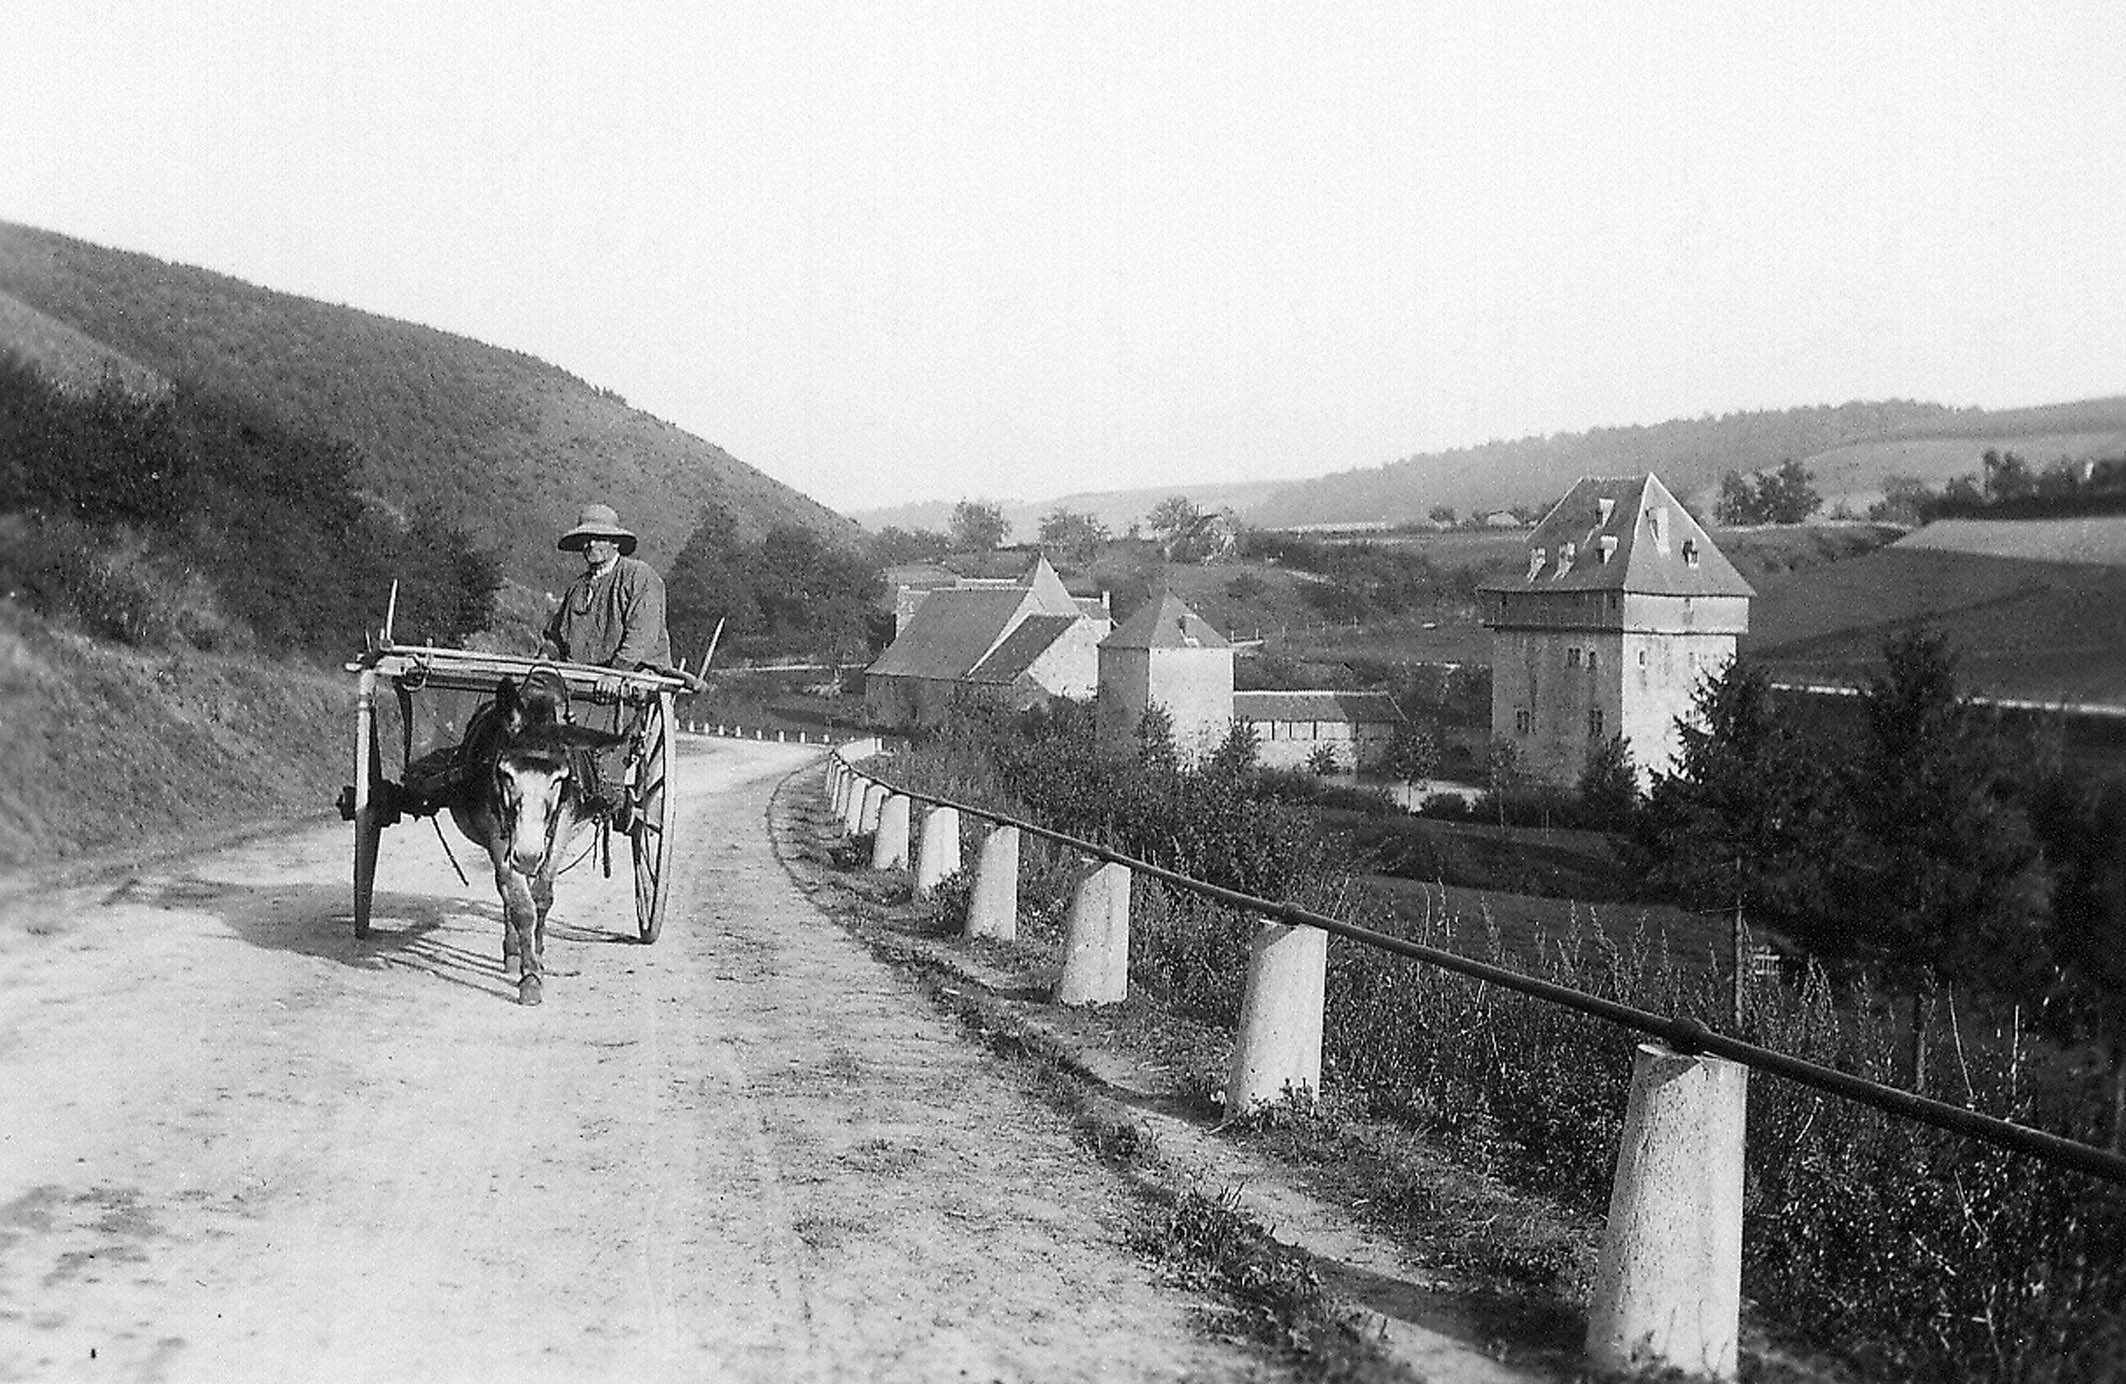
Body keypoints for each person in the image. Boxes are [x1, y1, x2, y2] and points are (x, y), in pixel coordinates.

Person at [540, 502, 673, 680]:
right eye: (585, 539)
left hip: (633, 678)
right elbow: (556, 636)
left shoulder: (638, 576)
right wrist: (545, 657)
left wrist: (616, 674)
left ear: (615, 542)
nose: (591, 544)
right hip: (582, 678)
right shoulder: (577, 588)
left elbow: (642, 636)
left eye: (598, 537)